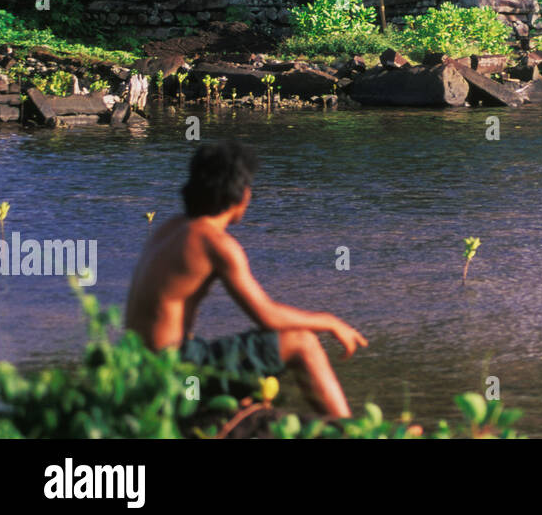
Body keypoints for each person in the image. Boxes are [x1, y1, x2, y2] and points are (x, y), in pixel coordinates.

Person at [125, 140, 367, 417]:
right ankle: (353, 433)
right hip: (174, 368)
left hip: (141, 362)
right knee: (302, 341)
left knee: (258, 350)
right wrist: (331, 321)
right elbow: (268, 317)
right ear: (242, 195)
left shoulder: (169, 228)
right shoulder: (215, 243)